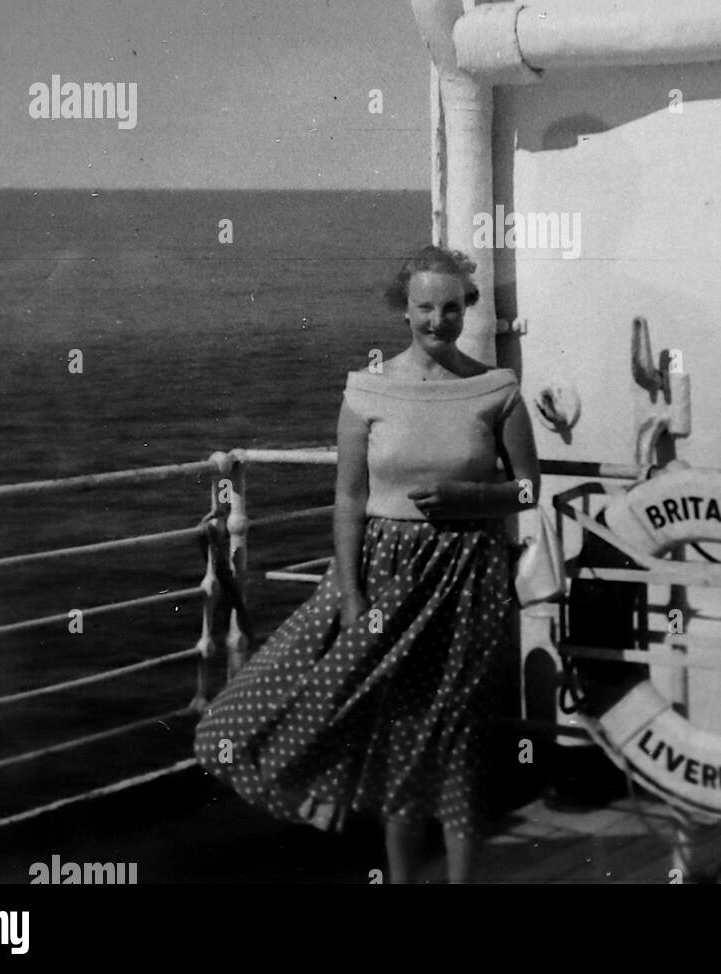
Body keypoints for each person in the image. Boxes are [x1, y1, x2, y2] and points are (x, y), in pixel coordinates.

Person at [194, 243, 540, 884]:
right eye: (424, 308)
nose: (438, 321)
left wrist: (472, 497)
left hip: (467, 577)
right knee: (384, 728)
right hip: (382, 573)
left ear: (467, 307)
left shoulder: (497, 390)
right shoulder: (366, 391)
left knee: (458, 737)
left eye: (450, 307)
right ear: (403, 311)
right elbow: (349, 500)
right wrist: (351, 594)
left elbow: (527, 491)